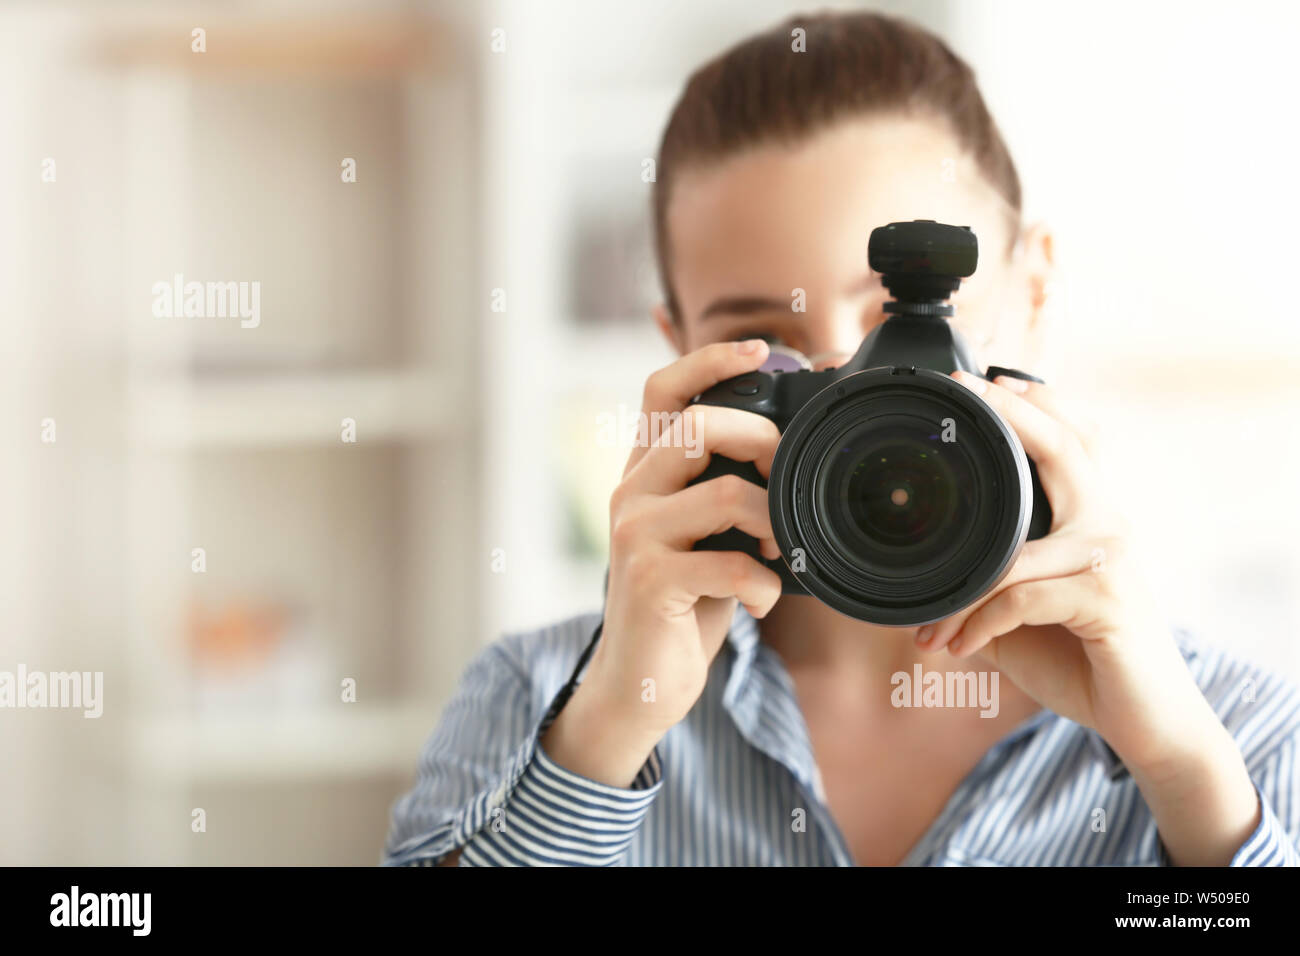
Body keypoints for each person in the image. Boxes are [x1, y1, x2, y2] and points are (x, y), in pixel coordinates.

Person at [382, 10, 1300, 867]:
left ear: (1033, 289)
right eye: (770, 342)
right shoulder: (534, 702)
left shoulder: (1238, 732)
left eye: (914, 318)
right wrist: (607, 732)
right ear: (681, 353)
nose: (855, 391)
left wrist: (1182, 771)